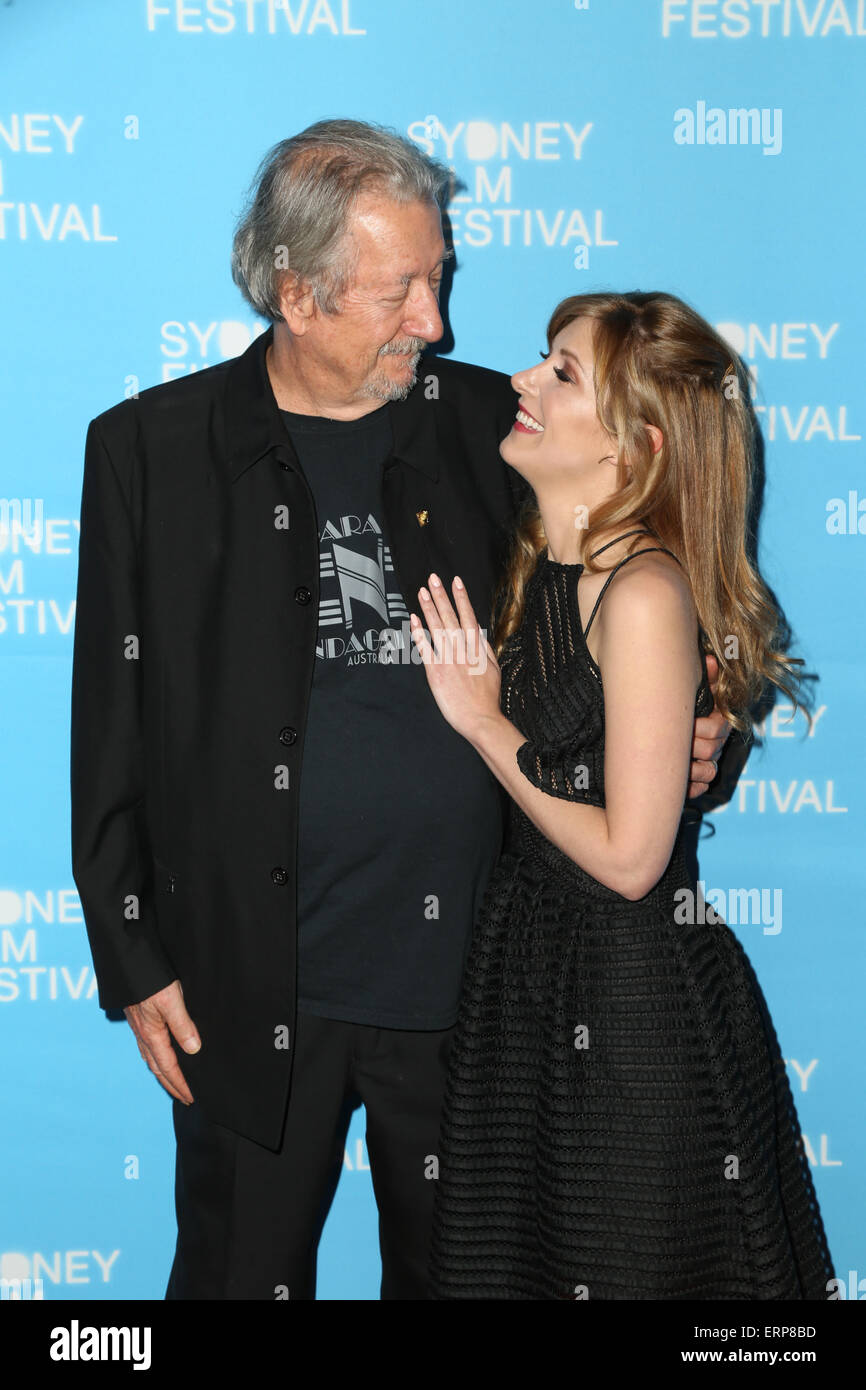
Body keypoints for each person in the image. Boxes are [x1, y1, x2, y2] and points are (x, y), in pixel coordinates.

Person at [70, 123, 729, 1301]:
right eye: (401, 292)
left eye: (440, 276)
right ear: (297, 292)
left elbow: (645, 593)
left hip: (478, 980)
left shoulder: (495, 425)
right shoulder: (149, 454)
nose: (436, 323)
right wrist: (131, 956)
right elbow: (109, 726)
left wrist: (702, 733)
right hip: (247, 982)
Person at [411, 291, 835, 1300]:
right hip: (525, 995)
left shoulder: (639, 593)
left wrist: (483, 722)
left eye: (561, 374)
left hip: (627, 1008)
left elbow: (631, 860)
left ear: (634, 446)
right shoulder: (542, 567)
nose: (519, 380)